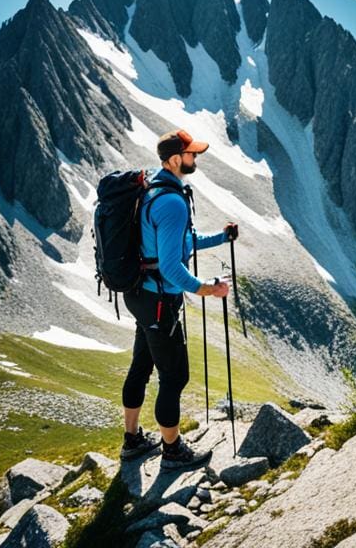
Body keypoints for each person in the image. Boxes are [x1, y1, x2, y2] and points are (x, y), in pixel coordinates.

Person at [120, 128, 237, 468]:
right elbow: (172, 266)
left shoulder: (153, 190)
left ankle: (132, 440)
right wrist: (209, 288)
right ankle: (172, 451)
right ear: (175, 160)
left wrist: (221, 237)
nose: (195, 158)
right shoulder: (171, 202)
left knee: (141, 366)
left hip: (141, 294)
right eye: (190, 154)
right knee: (174, 376)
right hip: (159, 300)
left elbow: (182, 242)